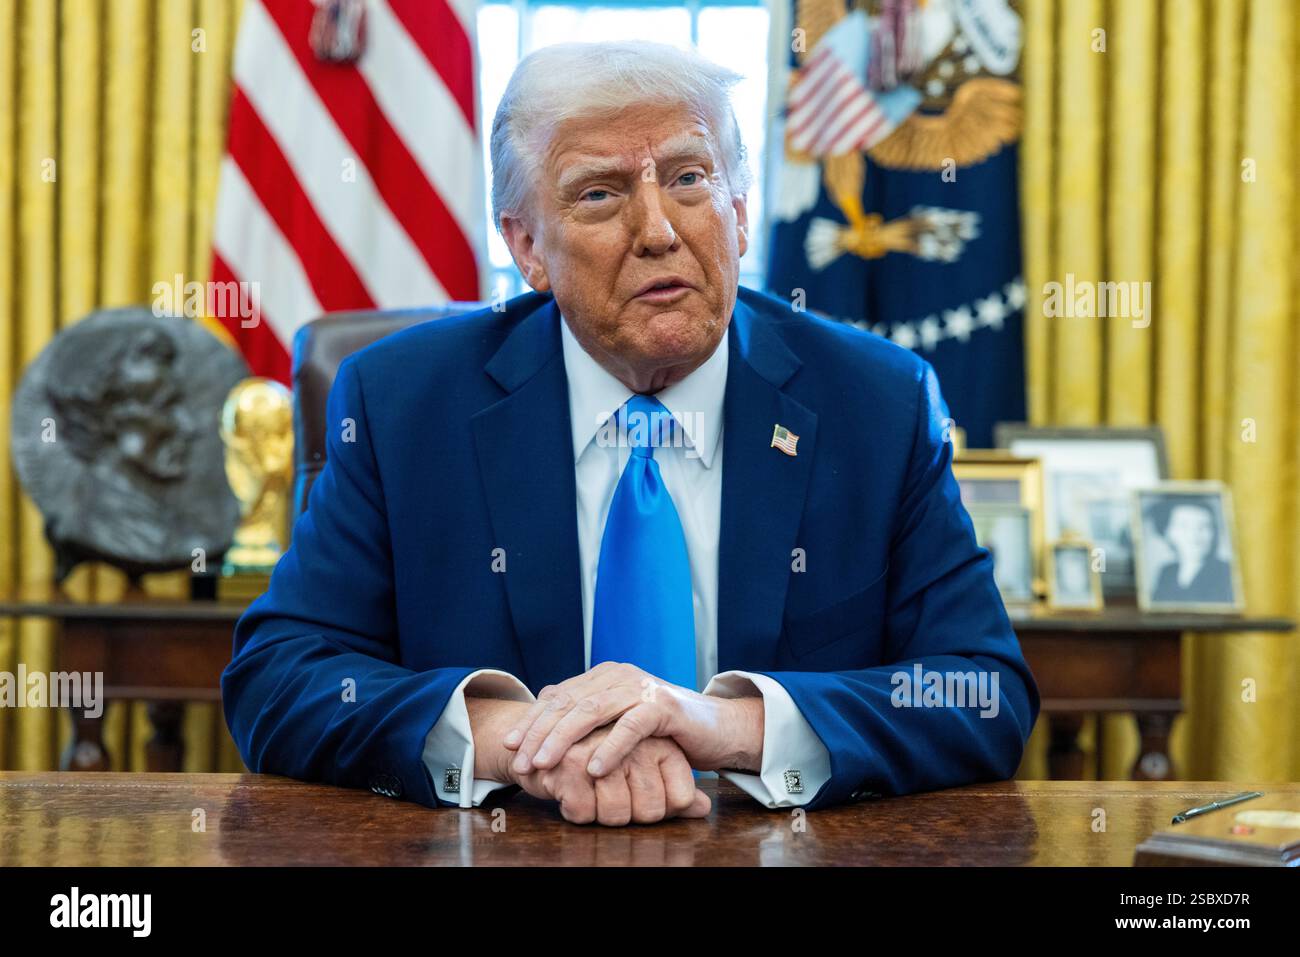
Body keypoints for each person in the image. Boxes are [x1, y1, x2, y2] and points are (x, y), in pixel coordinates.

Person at [221, 40, 1039, 827]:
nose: (659, 229)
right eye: (601, 194)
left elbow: (983, 689)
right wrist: (517, 738)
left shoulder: (878, 404)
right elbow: (277, 676)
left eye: (690, 178)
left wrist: (729, 725)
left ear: (742, 213)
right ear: (526, 246)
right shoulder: (403, 404)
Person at [1149, 497, 1234, 604]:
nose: (1194, 536)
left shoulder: (1227, 572)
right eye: (1184, 526)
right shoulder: (1167, 572)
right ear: (1168, 533)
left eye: (1204, 526)